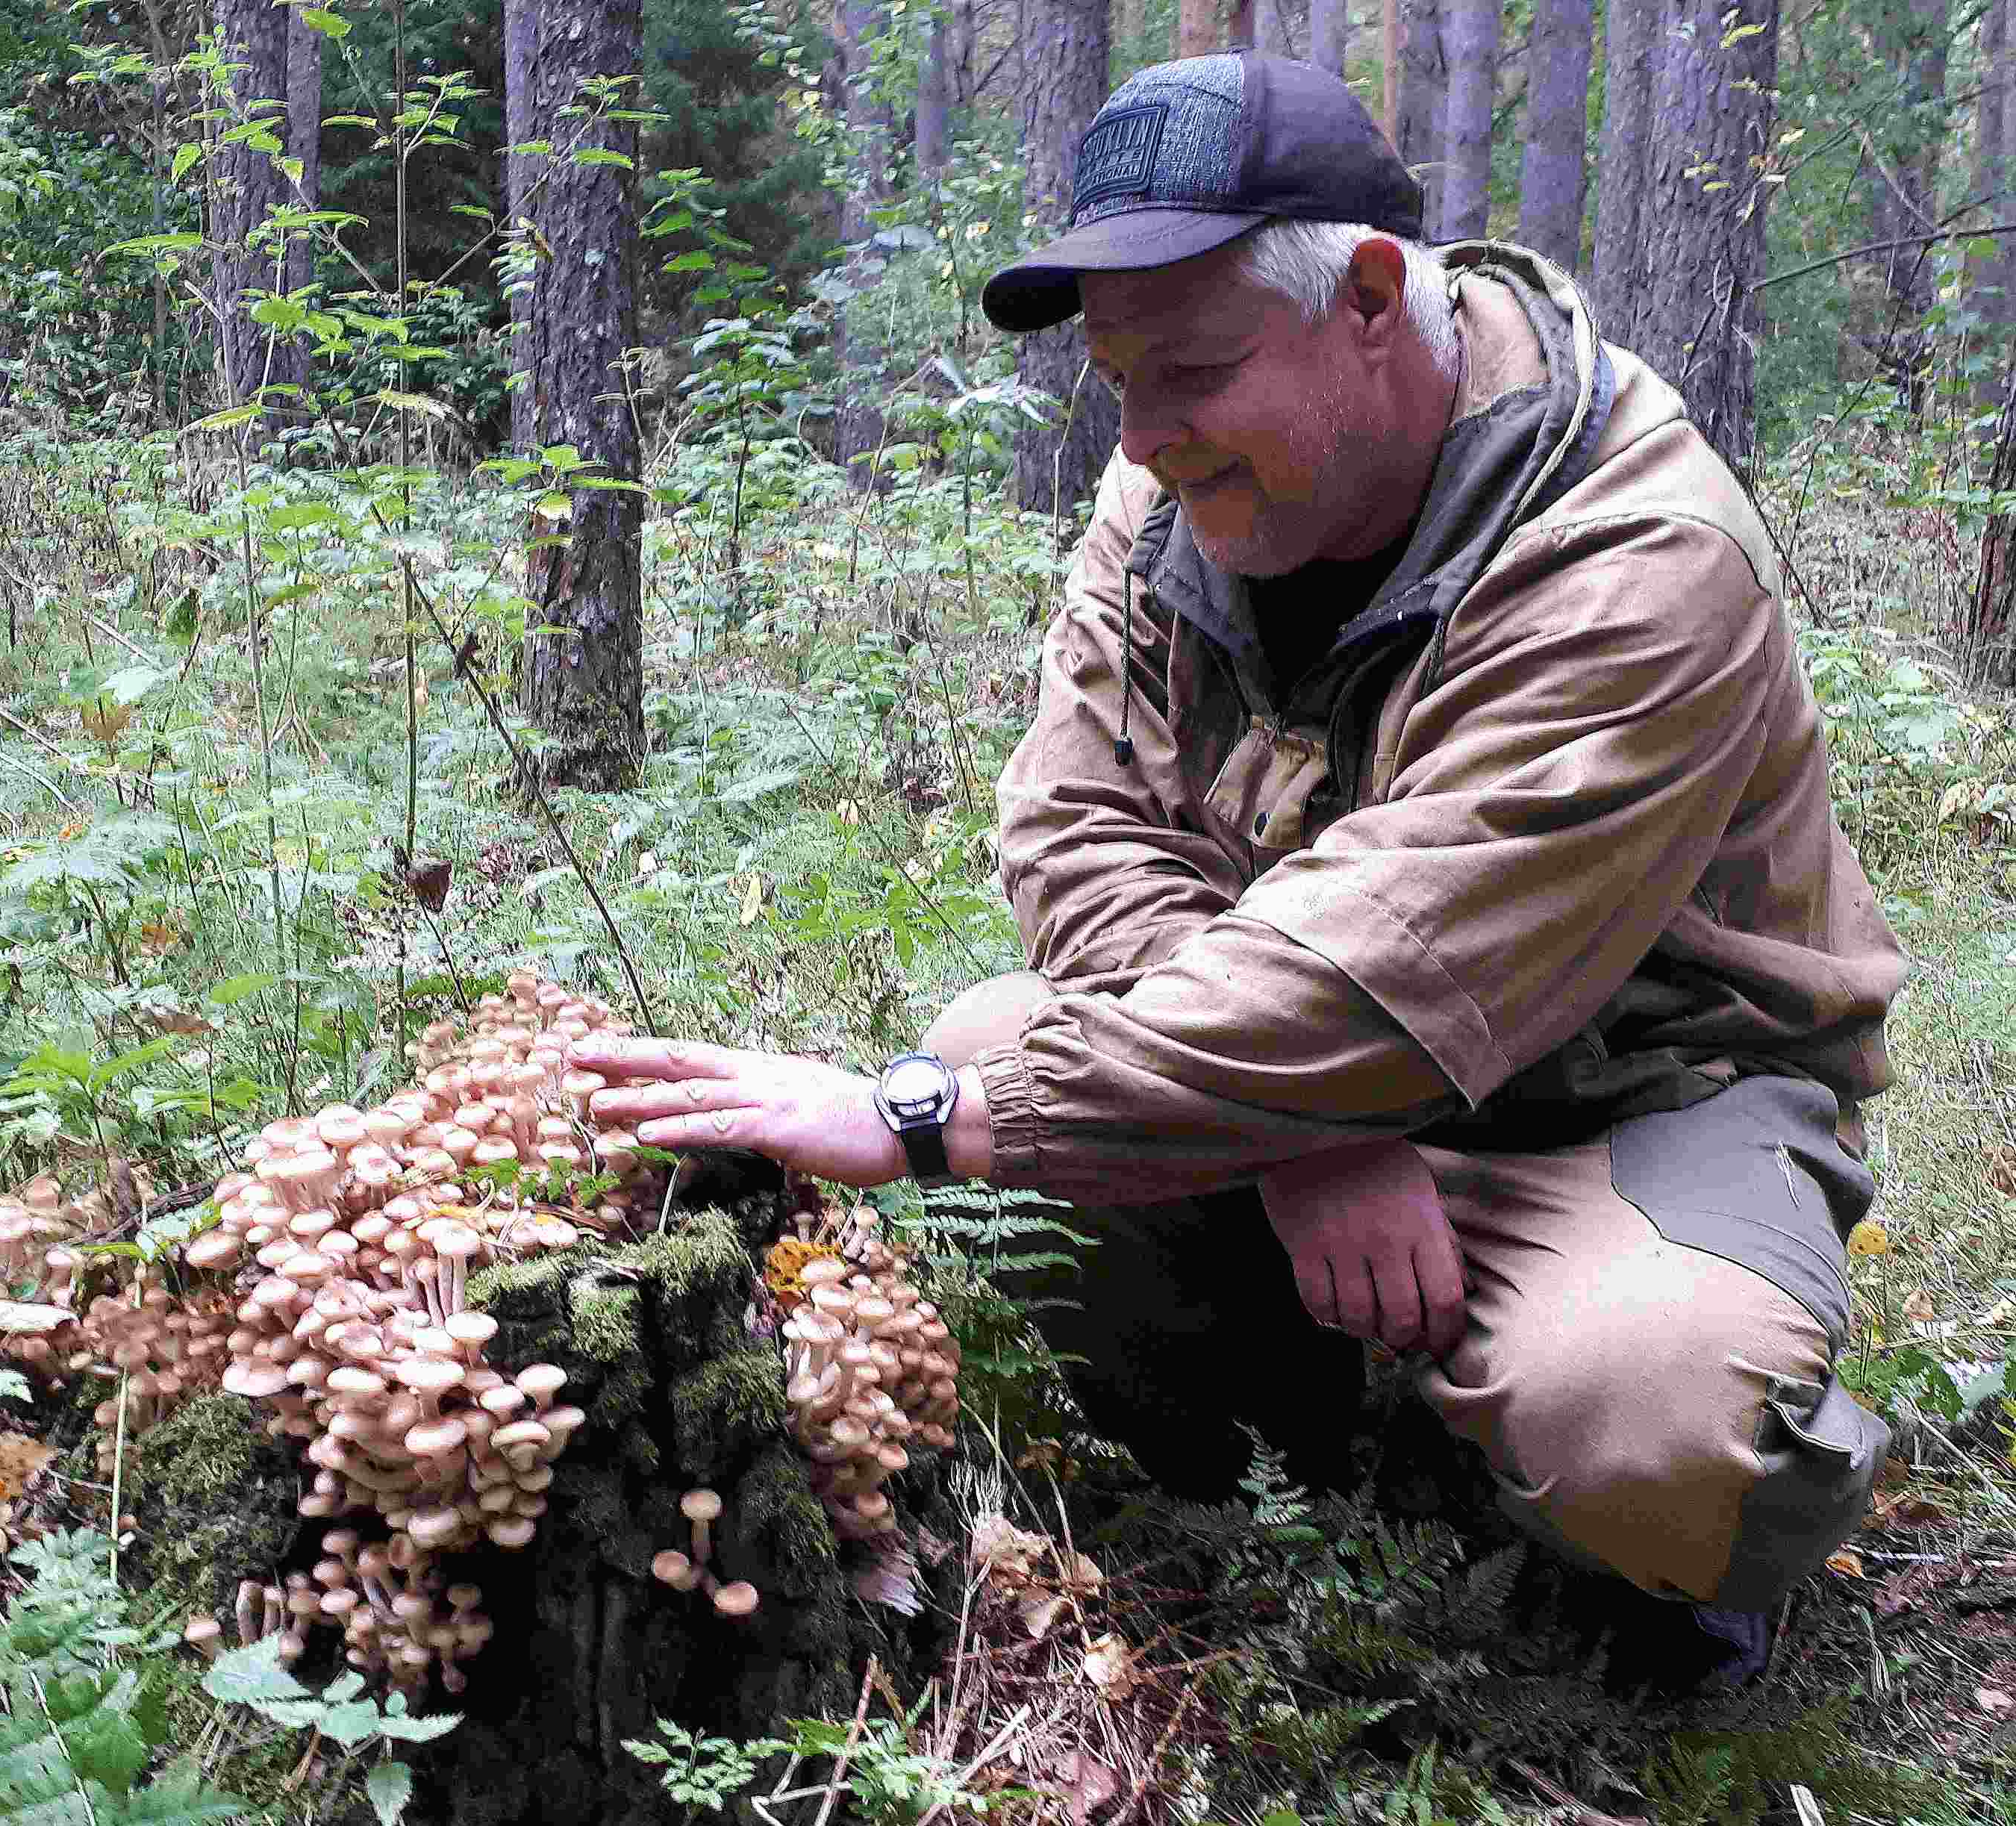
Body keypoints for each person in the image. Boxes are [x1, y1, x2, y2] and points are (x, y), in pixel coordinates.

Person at [577, 52, 1907, 1689]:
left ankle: (1650, 1568)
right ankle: (1306, 1447)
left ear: (1364, 299)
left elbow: (1389, 967)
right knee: (1000, 1037)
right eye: (1116, 378)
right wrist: (1300, 1131)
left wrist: (923, 1123)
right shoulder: (1170, 487)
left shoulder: (1634, 559)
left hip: (1634, 1100)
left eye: (1192, 369)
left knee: (1649, 1421)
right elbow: (1073, 828)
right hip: (1328, 1052)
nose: (1142, 437)